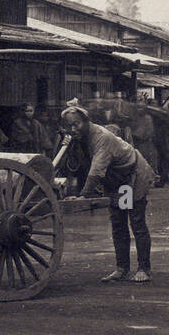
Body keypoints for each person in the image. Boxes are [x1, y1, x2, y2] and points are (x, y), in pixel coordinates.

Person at [61, 105, 155, 284]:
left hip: (132, 177)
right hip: (116, 180)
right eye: (70, 126)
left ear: (86, 121)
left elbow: (96, 170)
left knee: (136, 222)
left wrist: (83, 195)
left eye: (77, 124)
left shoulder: (101, 137)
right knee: (118, 224)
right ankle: (122, 269)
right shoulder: (81, 138)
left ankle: (144, 269)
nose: (73, 129)